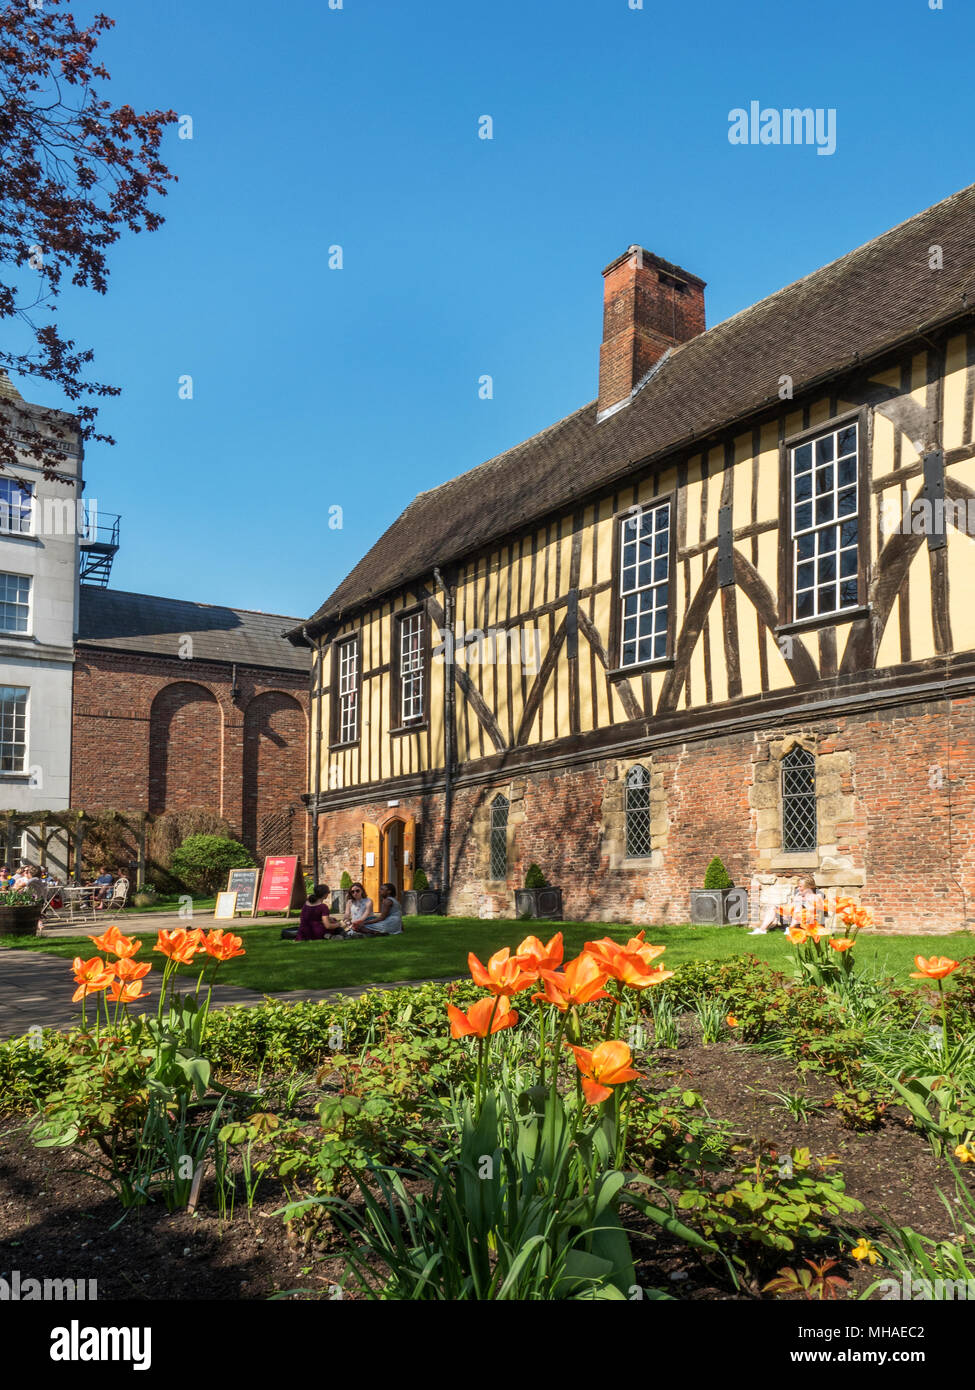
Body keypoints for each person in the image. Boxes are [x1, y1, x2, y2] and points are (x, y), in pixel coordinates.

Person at [750, 875, 823, 934]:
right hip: (792, 916)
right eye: (798, 886)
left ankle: (790, 929)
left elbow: (813, 911)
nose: (798, 888)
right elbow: (790, 906)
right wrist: (786, 913)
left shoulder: (816, 896)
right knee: (773, 908)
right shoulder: (798, 895)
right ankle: (762, 929)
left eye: (800, 886)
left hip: (805, 918)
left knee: (798, 907)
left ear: (808, 887)